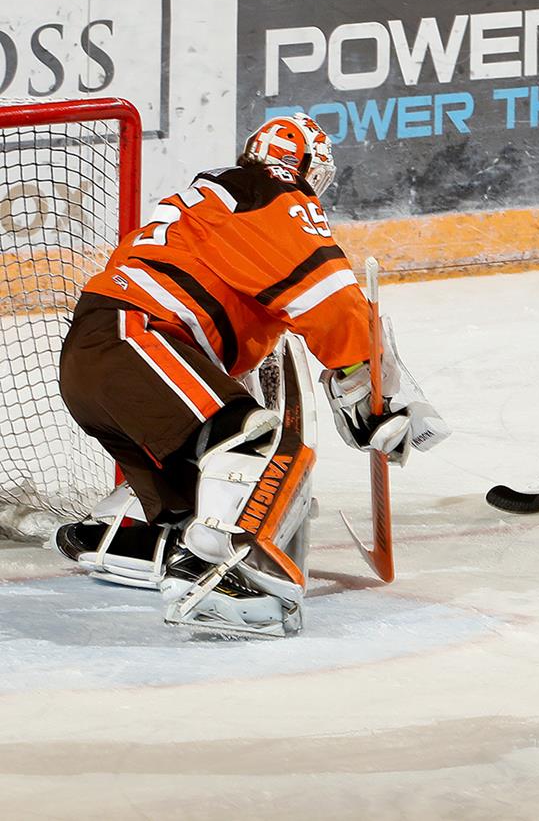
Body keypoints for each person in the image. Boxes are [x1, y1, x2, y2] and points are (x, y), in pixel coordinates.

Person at [54, 112, 446, 636]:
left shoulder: (224, 202)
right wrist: (364, 385)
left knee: (214, 483)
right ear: (300, 166)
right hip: (138, 341)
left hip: (101, 359)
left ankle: (126, 536)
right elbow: (328, 298)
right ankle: (223, 578)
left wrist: (361, 380)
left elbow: (270, 315)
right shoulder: (275, 191)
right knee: (260, 448)